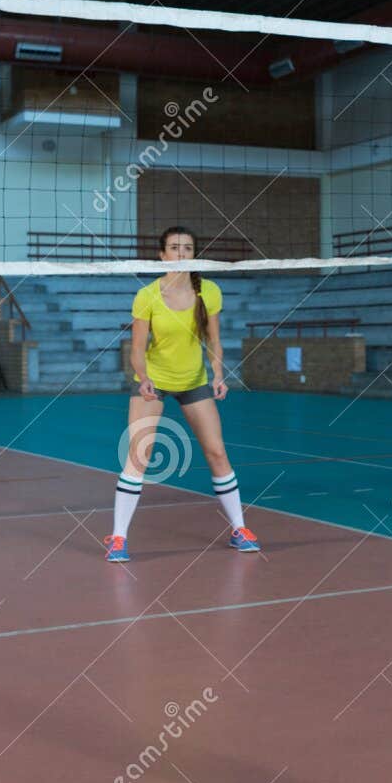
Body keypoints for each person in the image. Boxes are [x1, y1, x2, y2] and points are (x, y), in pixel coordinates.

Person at [108, 227, 258, 562]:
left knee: (217, 453)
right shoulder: (147, 295)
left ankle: (239, 529)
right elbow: (136, 350)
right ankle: (118, 538)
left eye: (188, 248)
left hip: (194, 380)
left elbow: (214, 341)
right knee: (139, 455)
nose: (182, 253)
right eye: (174, 248)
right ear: (162, 255)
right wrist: (144, 377)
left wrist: (219, 374)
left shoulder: (210, 291)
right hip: (155, 380)